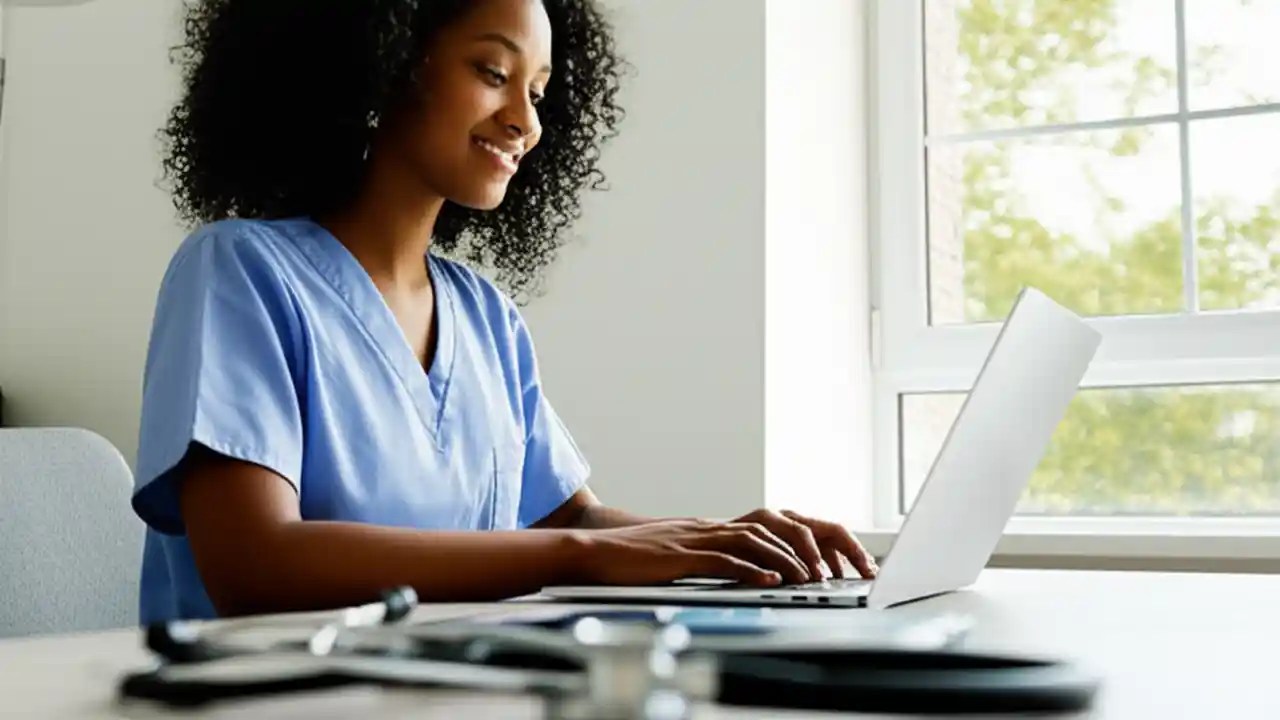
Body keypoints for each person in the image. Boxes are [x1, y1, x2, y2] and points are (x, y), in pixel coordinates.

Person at [132, 0, 877, 625]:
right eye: (494, 73)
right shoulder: (239, 270)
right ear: (388, 62)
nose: (526, 120)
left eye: (541, 91)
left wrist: (726, 537)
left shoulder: (484, 316)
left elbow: (572, 522)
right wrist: (580, 557)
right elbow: (254, 564)